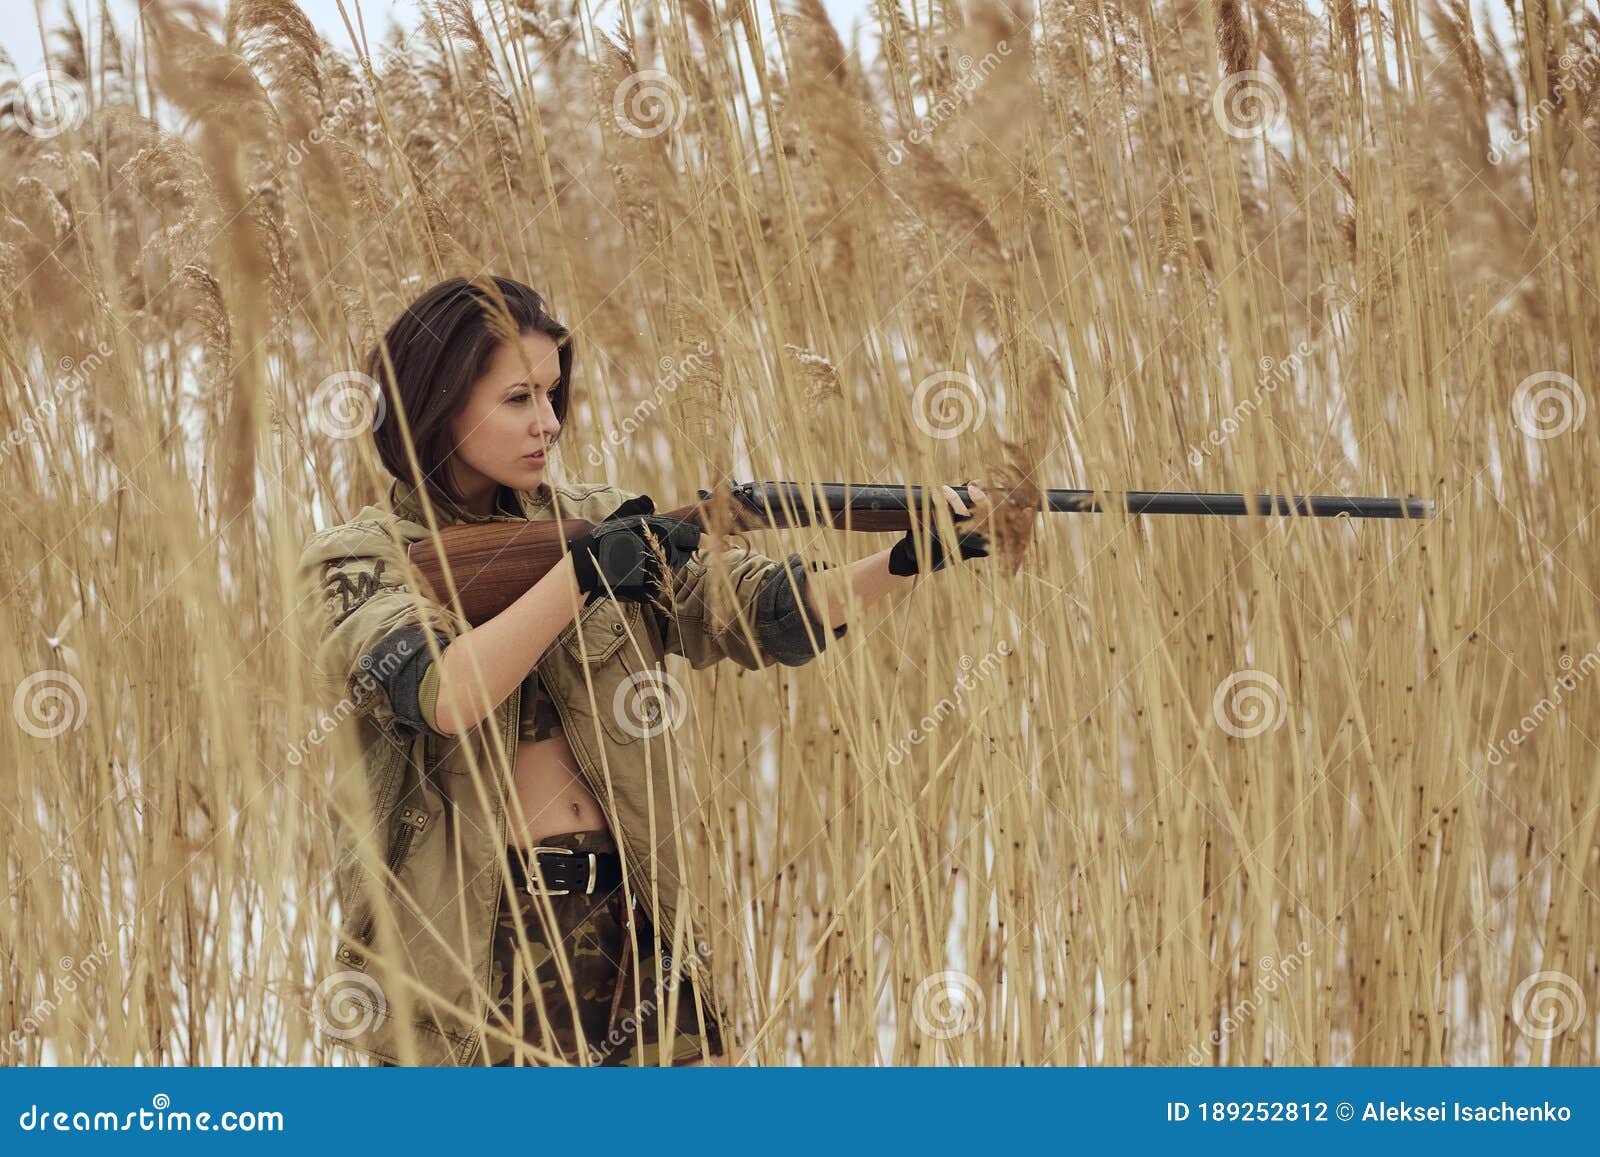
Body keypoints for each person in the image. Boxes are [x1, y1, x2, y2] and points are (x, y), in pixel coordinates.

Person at [296, 274, 992, 1066]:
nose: (549, 423)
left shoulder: (606, 516)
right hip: (465, 962)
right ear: (437, 401)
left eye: (554, 395)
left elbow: (753, 612)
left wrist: (903, 560)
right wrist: (584, 575)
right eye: (518, 398)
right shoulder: (359, 558)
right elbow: (445, 691)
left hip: (628, 927)